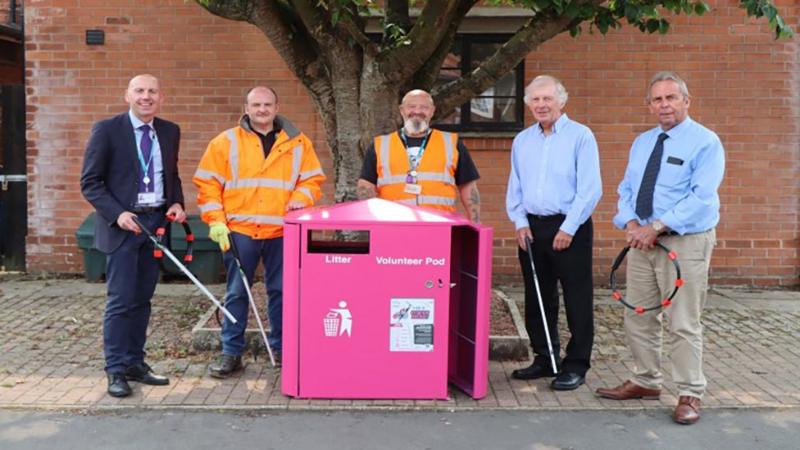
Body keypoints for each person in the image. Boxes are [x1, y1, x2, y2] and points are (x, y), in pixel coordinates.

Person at [596, 71, 725, 425]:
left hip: (684, 242)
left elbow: (701, 197)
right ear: (649, 105)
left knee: (683, 320)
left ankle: (689, 392)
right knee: (638, 313)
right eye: (657, 99)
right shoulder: (643, 142)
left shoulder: (705, 142)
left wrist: (656, 226)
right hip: (643, 242)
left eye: (671, 97)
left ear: (686, 100)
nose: (664, 104)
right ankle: (645, 380)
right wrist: (633, 224)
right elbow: (626, 189)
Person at [194, 86, 325, 378]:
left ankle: (282, 348)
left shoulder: (298, 143)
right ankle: (231, 353)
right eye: (256, 105)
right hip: (240, 230)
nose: (262, 110)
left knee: (281, 291)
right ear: (247, 107)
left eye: (267, 105)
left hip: (282, 230)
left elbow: (312, 180)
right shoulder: (225, 142)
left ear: (277, 108)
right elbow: (208, 185)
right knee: (237, 291)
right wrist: (216, 221)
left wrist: (300, 199)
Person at [80, 74, 186, 398]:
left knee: (142, 300)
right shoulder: (107, 130)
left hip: (155, 224)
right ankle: (115, 370)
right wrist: (118, 214)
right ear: (127, 94)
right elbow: (91, 182)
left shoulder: (169, 131)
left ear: (161, 97)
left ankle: (135, 364)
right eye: (139, 91)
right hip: (123, 227)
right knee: (121, 301)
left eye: (152, 91)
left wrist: (178, 202)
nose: (146, 96)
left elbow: (171, 174)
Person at [505, 75, 602, 391]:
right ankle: (545, 358)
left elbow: (590, 190)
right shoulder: (522, 141)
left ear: (561, 101)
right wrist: (519, 222)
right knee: (537, 296)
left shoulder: (581, 137)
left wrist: (568, 227)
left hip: (570, 227)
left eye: (547, 98)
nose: (541, 105)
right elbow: (515, 186)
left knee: (576, 297)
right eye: (535, 99)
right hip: (532, 229)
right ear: (528, 104)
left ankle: (576, 365)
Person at [356, 89, 480, 222]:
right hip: (392, 224)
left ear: (432, 111)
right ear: (402, 110)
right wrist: (371, 219)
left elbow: (468, 186)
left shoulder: (452, 143)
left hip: (440, 224)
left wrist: (475, 222)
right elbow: (366, 185)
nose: (417, 111)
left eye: (424, 107)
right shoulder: (380, 145)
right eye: (412, 106)